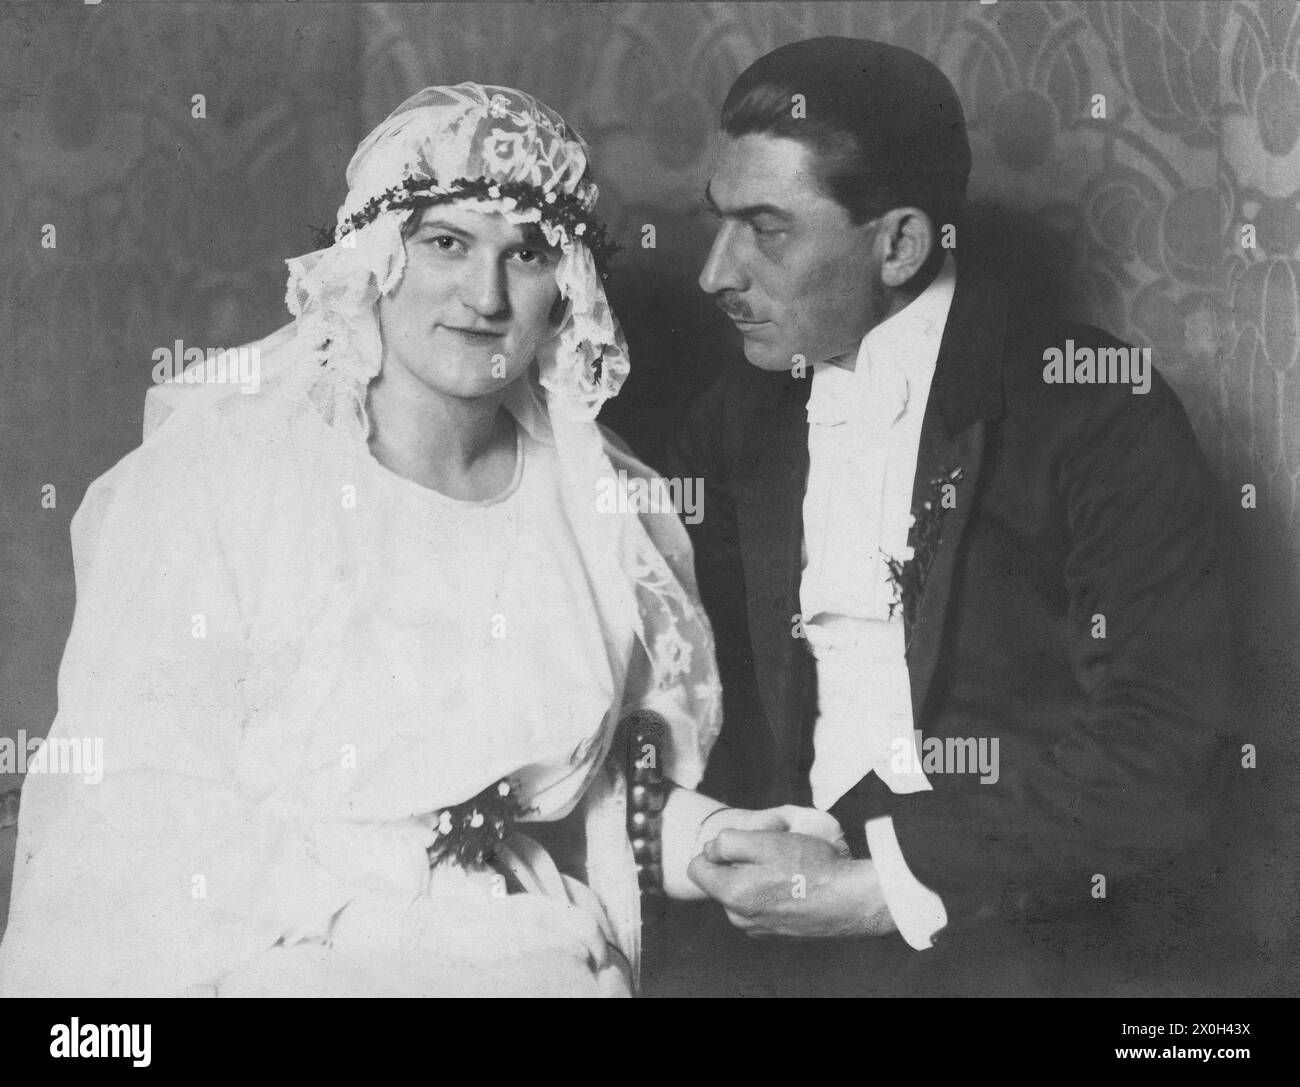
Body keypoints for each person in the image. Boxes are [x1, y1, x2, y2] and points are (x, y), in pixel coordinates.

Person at [0, 83, 840, 998]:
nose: (484, 296)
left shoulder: (592, 494)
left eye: (526, 253)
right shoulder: (226, 475)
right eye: (445, 241)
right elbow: (139, 807)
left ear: (570, 288)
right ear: (373, 254)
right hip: (270, 957)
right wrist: (395, 927)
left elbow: (593, 795)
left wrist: (705, 837)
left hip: (534, 949)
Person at [654, 38, 1229, 997]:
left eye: (768, 228)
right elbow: (647, 650)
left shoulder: (1093, 406)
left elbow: (1165, 744)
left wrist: (887, 887)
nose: (716, 272)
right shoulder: (735, 419)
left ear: (901, 244)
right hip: (777, 921)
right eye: (721, 222)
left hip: (1026, 932)